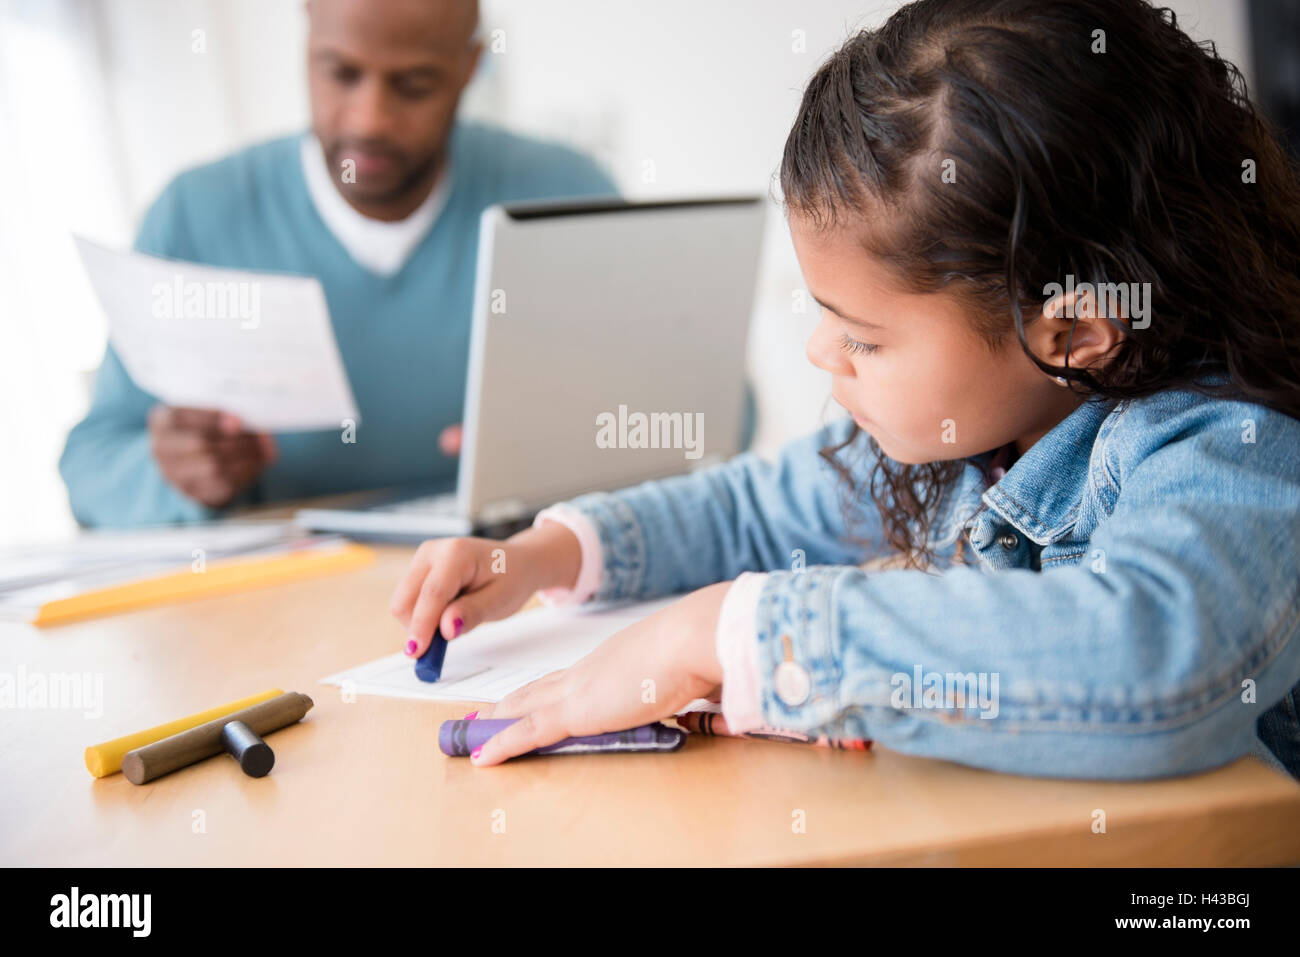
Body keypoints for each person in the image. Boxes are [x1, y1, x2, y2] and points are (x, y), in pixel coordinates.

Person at [390, 0, 1300, 779]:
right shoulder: (978, 425)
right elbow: (755, 508)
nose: (824, 352)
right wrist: (546, 553)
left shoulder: (1225, 445)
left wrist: (721, 633)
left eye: (863, 334)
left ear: (1073, 332)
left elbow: (1159, 661)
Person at [60, 0, 617, 526]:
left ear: (470, 67)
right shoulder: (197, 217)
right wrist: (172, 475)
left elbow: (666, 429)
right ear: (307, 28)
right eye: (341, 73)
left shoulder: (567, 198)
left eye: (414, 85)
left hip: (516, 593)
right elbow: (90, 465)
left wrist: (581, 445)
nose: (370, 119)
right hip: (279, 604)